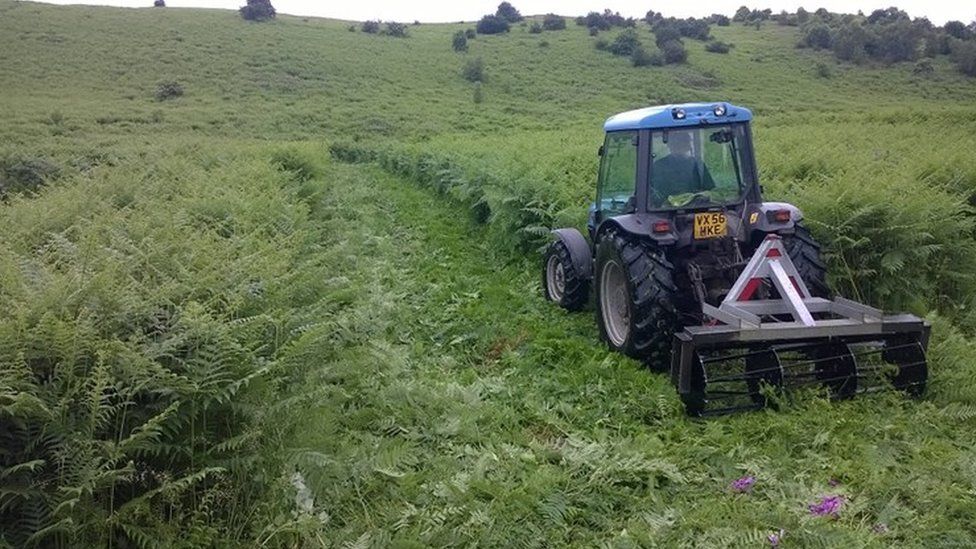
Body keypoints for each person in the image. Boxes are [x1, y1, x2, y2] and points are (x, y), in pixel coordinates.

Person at [651, 130, 714, 205]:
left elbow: (709, 191)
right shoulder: (658, 166)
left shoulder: (697, 164)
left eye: (682, 143)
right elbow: (651, 192)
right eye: (676, 144)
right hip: (665, 210)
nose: (679, 146)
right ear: (670, 145)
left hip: (696, 207)